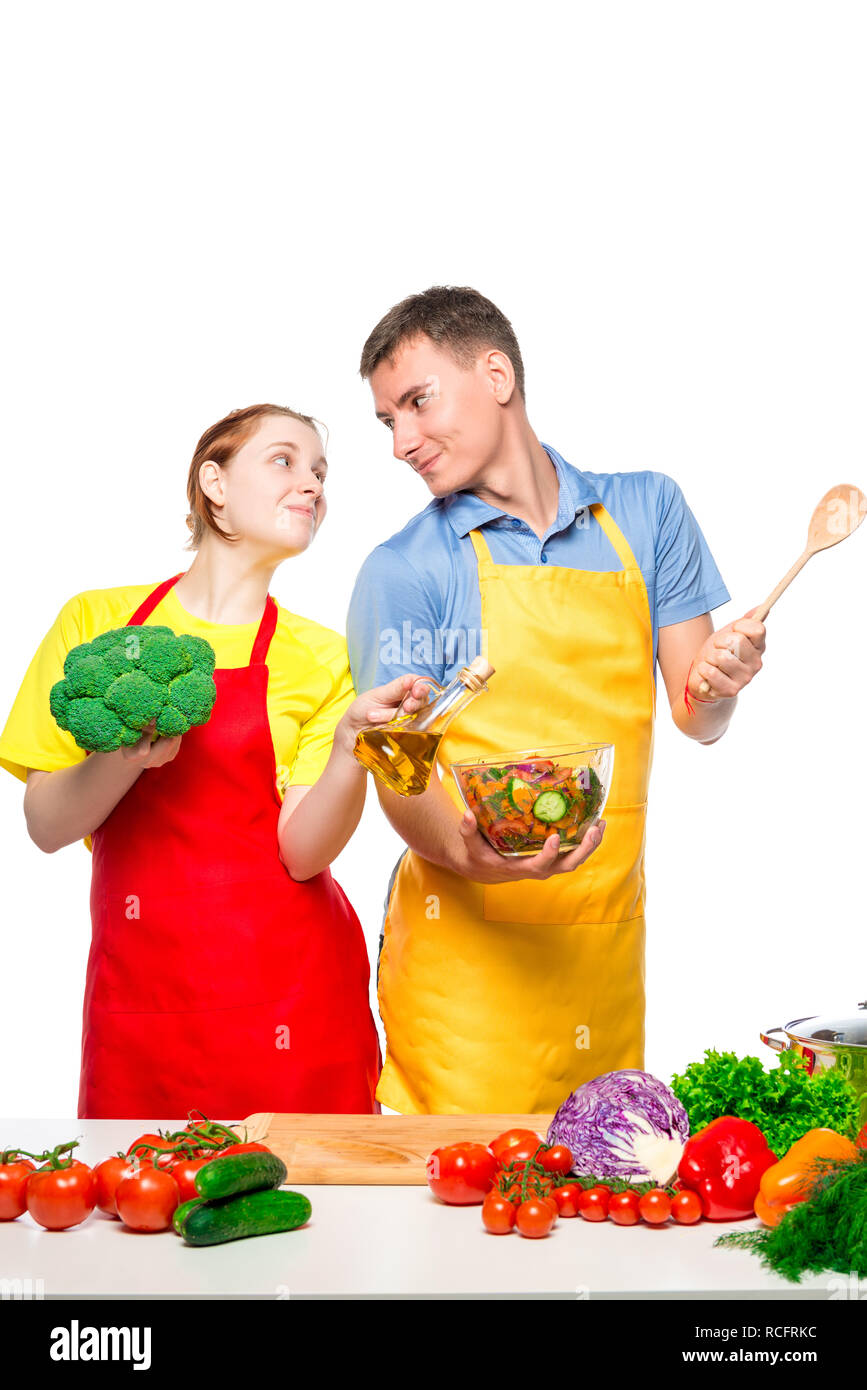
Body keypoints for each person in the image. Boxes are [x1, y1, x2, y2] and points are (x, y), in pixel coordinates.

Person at [347, 286, 766, 1115]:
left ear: (495, 373)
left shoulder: (646, 511)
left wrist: (723, 683)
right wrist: (478, 855)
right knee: (463, 1222)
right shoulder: (402, 569)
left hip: (601, 956)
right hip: (462, 979)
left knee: (600, 1202)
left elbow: (697, 716)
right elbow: (395, 772)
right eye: (386, 420)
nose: (400, 441)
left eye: (415, 402)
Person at [0, 403, 429, 1119]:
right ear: (214, 483)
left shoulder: (319, 656)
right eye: (285, 461)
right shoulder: (99, 624)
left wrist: (353, 750)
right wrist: (126, 756)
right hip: (143, 997)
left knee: (309, 1217)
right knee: (138, 1208)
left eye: (321, 473)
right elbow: (45, 825)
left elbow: (302, 852)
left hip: (293, 992)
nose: (313, 485)